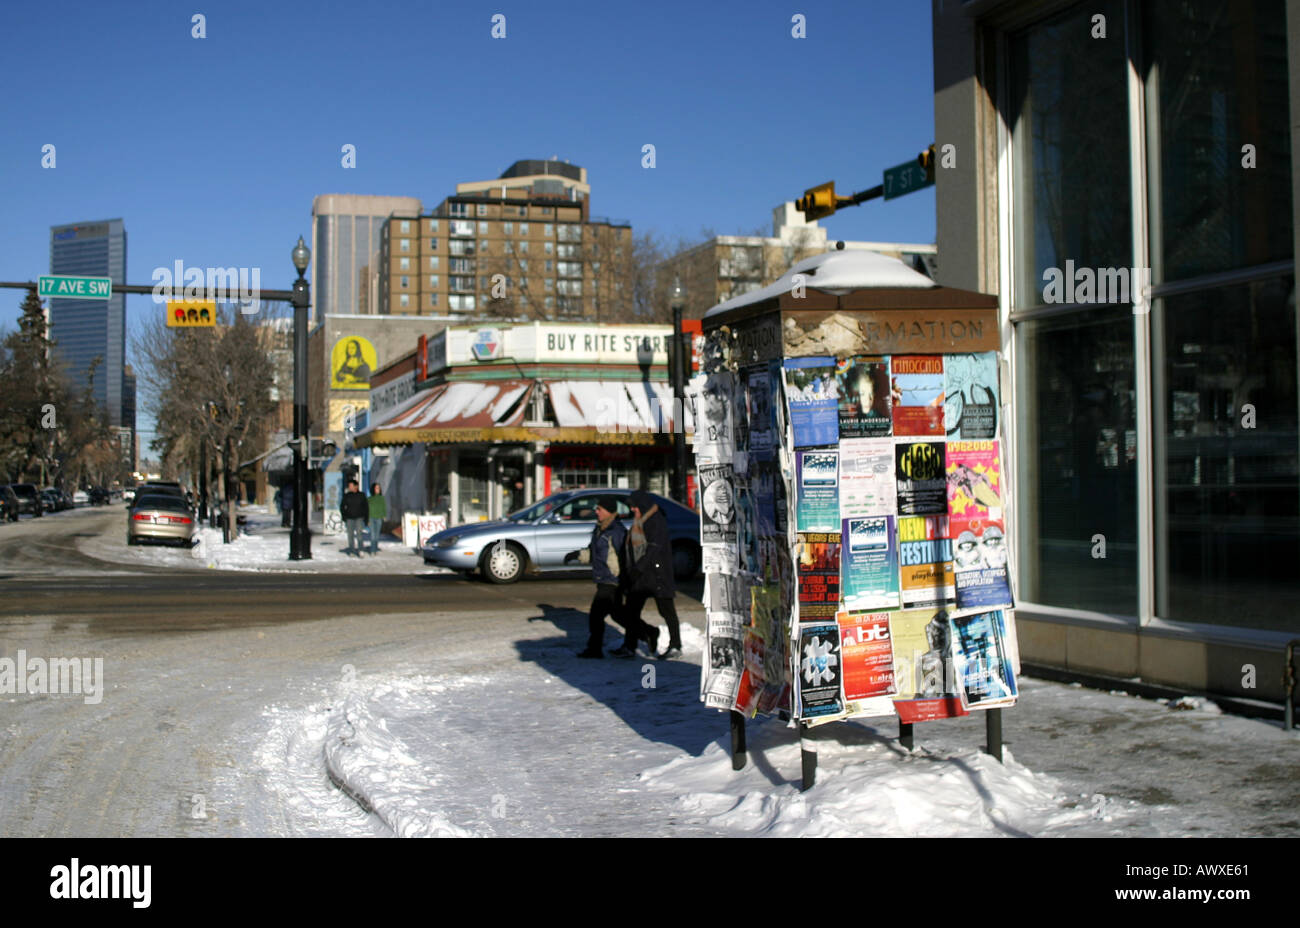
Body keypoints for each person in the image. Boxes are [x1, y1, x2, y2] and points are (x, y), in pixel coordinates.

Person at [612, 490, 682, 660]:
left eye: (634, 507)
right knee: (632, 611)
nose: (632, 510)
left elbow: (654, 548)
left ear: (642, 505)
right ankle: (630, 645)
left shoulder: (655, 520)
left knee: (666, 610)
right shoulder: (640, 520)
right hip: (641, 575)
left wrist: (638, 568)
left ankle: (675, 645)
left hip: (657, 574)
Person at [571, 496, 628, 659]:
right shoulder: (600, 529)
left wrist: (622, 577)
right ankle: (648, 633)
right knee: (617, 614)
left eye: (599, 509)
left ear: (608, 511)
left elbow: (624, 557)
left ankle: (594, 649)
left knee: (596, 615)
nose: (596, 512)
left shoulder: (616, 531)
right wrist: (577, 555)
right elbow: (594, 553)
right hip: (603, 578)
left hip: (612, 580)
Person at [340, 478, 369, 556]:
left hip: (359, 518)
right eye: (349, 486)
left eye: (351, 486)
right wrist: (344, 516)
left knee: (359, 535)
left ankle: (361, 549)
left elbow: (366, 507)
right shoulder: (347, 495)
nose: (350, 487)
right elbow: (342, 506)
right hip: (349, 518)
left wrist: (366, 518)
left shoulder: (361, 495)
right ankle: (352, 550)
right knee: (350, 536)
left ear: (356, 486)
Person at [367, 481, 386, 555]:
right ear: (373, 489)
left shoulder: (381, 498)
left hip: (379, 518)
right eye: (376, 488)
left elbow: (384, 508)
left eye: (379, 488)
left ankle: (375, 548)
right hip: (371, 518)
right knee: (372, 535)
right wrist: (367, 519)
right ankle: (372, 550)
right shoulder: (370, 499)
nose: (378, 489)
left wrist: (384, 515)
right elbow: (367, 509)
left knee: (377, 535)